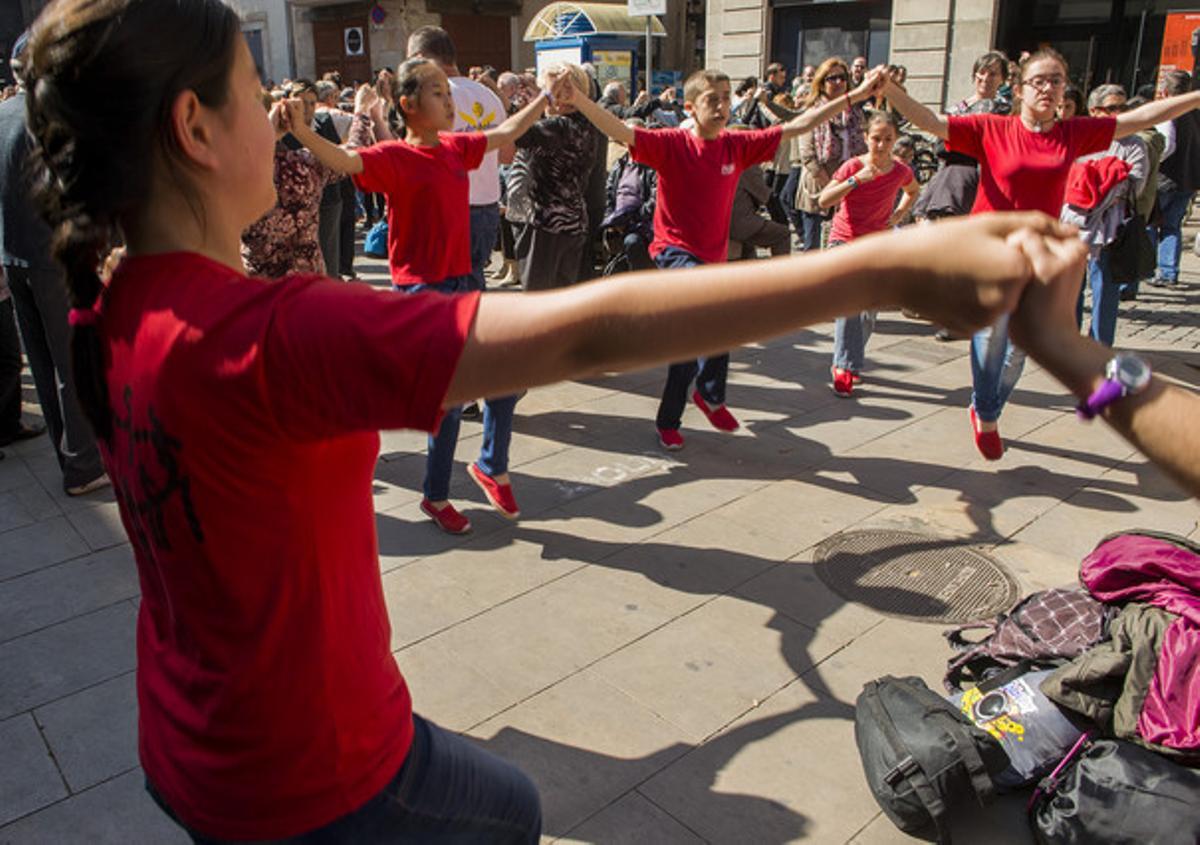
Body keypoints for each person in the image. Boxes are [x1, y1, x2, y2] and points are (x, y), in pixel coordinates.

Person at [22, 1, 1092, 840]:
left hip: (187, 746)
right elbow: (583, 334)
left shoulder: (105, 300)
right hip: (313, 773)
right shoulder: (271, 332)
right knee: (513, 809)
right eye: (260, 98)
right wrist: (880, 267)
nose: (284, 123)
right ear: (195, 127)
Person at [882, 47, 1200, 460]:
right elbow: (929, 122)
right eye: (1039, 81)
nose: (1048, 88)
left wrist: (1194, 97)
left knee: (1019, 347)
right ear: (1019, 89)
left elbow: (1138, 120)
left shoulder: (1072, 133)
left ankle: (987, 406)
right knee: (992, 338)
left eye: (1056, 81)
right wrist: (893, 91)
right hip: (989, 254)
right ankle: (986, 410)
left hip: (1036, 257)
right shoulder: (991, 128)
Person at [288, 57, 555, 533]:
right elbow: (347, 162)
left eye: (449, 94)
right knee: (454, 397)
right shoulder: (395, 157)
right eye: (438, 94)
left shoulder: (456, 147)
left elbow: (505, 131)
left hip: (463, 284)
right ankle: (437, 490)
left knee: (504, 375)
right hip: (423, 292)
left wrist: (546, 97)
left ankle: (487, 466)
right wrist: (303, 131)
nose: (449, 102)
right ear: (408, 105)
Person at [562, 64, 887, 450]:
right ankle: (709, 393)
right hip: (673, 252)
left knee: (689, 345)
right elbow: (621, 131)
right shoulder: (671, 143)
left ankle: (677, 415)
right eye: (711, 100)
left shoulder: (736, 144)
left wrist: (857, 94)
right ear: (689, 107)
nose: (721, 106)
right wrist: (579, 99)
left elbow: (801, 124)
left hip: (710, 261)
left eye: (727, 98)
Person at [0, 32, 107, 495]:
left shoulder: (3, 113)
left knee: (43, 361)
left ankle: (70, 451)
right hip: (53, 256)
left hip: (14, 255)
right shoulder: (55, 114)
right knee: (72, 362)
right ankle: (82, 465)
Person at [818, 110, 920, 397]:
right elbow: (824, 200)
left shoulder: (900, 170)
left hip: (877, 244)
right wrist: (856, 181)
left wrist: (899, 213)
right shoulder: (853, 166)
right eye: (876, 139)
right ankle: (843, 366)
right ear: (865, 138)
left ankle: (851, 359)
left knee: (868, 314)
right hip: (845, 240)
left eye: (888, 139)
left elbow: (913, 191)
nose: (881, 145)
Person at [1062, 84, 1146, 347]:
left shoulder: (1135, 144)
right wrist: (1104, 179)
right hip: (1074, 227)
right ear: (1094, 111)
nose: (1119, 113)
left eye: (1123, 107)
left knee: (1105, 292)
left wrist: (1091, 186)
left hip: (1110, 230)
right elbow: (1066, 181)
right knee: (1070, 290)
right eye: (1112, 108)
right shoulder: (1082, 139)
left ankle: (1099, 348)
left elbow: (1133, 184)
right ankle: (1069, 341)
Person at [512, 64, 601, 291]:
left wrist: (541, 100)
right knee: (561, 299)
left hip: (545, 225)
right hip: (572, 221)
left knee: (538, 301)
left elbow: (510, 134)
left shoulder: (556, 128)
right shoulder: (588, 124)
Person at [795, 58, 865, 252]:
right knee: (813, 248)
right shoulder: (812, 112)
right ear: (821, 82)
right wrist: (832, 188)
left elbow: (863, 149)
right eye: (832, 78)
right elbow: (808, 156)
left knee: (840, 245)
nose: (838, 83)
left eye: (842, 78)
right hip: (818, 184)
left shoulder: (856, 113)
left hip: (847, 185)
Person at [1148, 70, 1200, 288]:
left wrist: (1151, 164)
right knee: (1172, 226)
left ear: (1165, 91)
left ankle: (1147, 268)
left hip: (1165, 179)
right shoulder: (1194, 113)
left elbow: (1167, 145)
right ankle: (1169, 271)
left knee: (1150, 224)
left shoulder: (1168, 113)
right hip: (1188, 180)